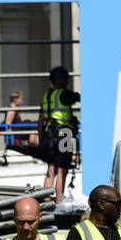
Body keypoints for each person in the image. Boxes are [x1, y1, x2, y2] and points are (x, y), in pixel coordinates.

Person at [40, 67, 80, 204]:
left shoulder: (47, 95)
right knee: (63, 169)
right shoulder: (64, 94)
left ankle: (45, 199)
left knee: (51, 168)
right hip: (65, 134)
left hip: (50, 133)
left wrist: (41, 139)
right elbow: (78, 97)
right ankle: (59, 201)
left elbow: (41, 119)